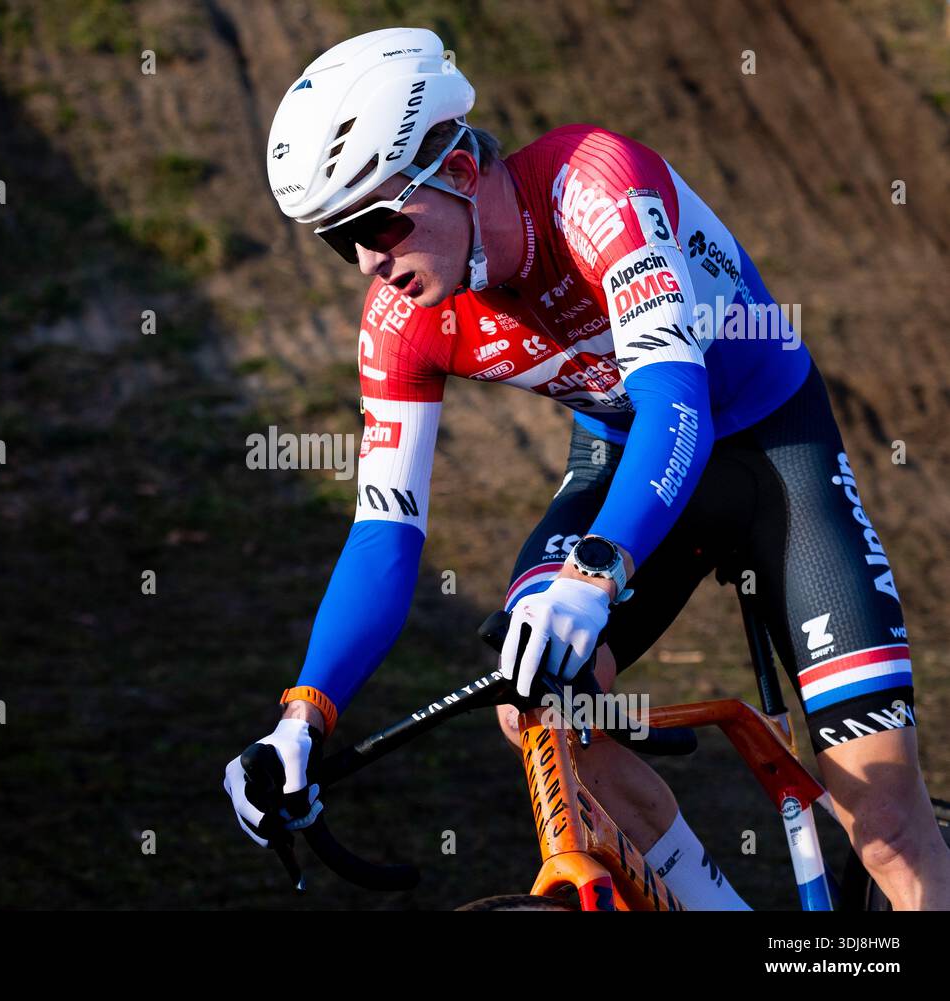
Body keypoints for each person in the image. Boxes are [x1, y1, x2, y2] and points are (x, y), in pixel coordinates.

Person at [224, 26, 950, 909]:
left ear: (455, 170)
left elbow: (677, 404)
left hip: (768, 449)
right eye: (341, 243)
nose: (371, 263)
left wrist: (598, 569)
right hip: (626, 460)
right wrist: (303, 716)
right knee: (535, 698)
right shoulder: (402, 318)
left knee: (885, 826)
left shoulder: (594, 186)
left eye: (376, 224)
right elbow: (384, 529)